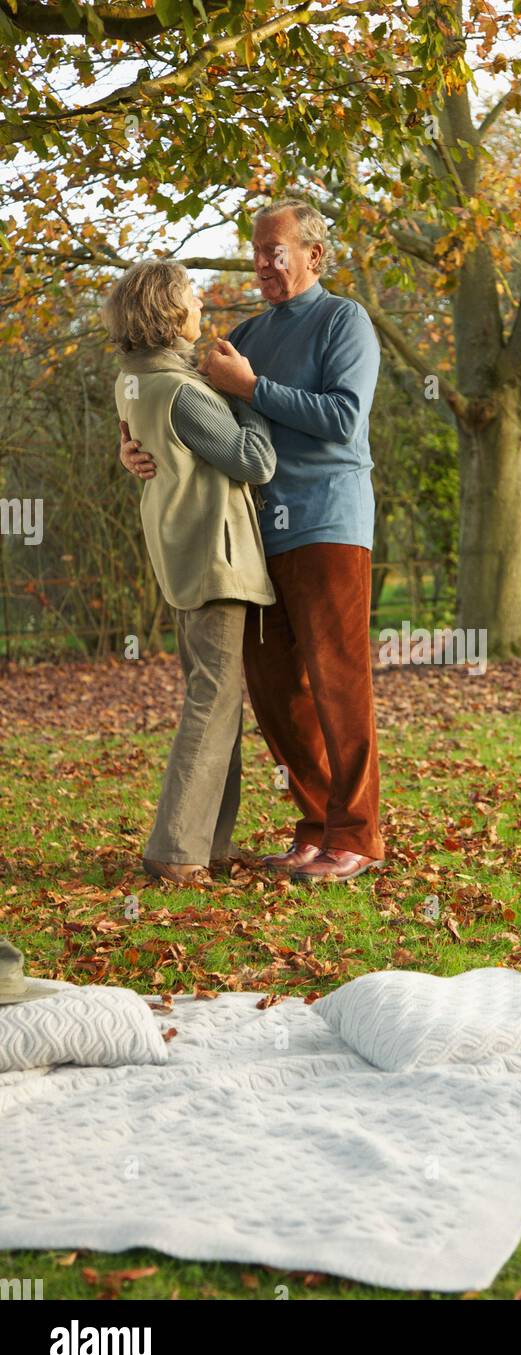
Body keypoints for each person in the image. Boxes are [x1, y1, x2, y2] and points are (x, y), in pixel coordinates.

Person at [122, 200, 386, 883]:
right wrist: (135, 447)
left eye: (277, 250)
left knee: (337, 685)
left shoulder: (343, 321)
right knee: (276, 695)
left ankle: (355, 835)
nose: (264, 262)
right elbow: (191, 412)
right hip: (254, 539)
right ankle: (313, 827)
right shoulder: (242, 334)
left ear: (314, 256)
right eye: (257, 249)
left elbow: (344, 420)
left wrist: (255, 387)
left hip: (328, 522)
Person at [105, 259, 277, 885]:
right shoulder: (187, 392)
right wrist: (246, 393)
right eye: (192, 298)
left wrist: (127, 453)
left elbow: (137, 442)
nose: (201, 305)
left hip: (178, 554)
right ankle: (176, 850)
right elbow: (253, 463)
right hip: (214, 557)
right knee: (213, 697)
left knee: (218, 697)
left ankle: (207, 845)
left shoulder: (131, 380)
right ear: (170, 313)